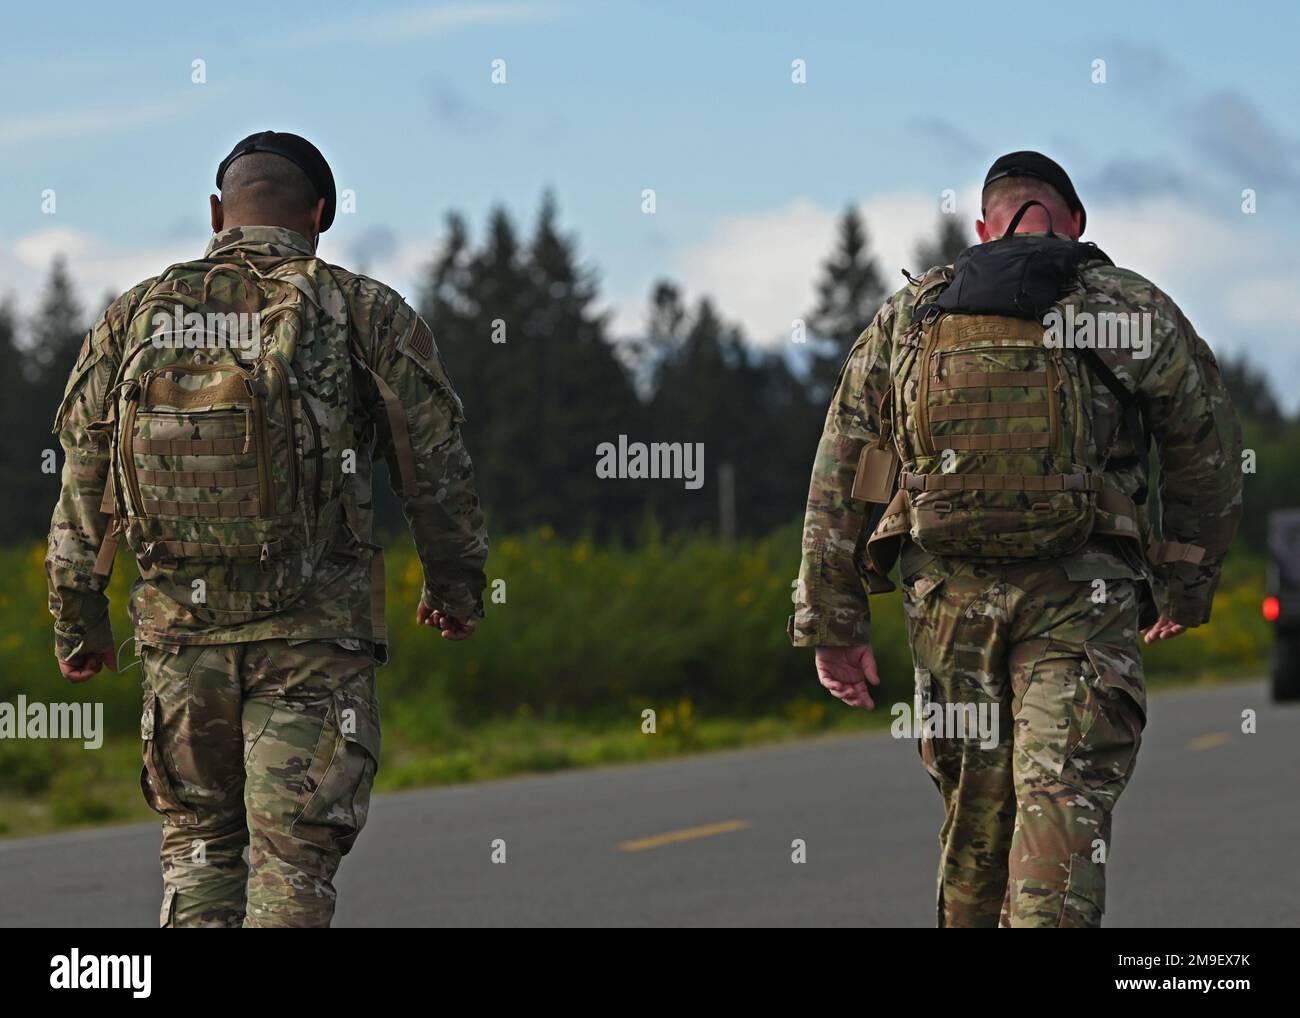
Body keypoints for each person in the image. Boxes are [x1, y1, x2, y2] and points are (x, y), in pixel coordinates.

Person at [46, 130, 489, 928]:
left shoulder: (133, 317)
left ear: (217, 212)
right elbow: (434, 465)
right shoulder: (364, 310)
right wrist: (454, 586)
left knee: (200, 852)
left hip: (182, 647)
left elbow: (84, 476)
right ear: (321, 214)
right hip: (314, 645)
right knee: (292, 869)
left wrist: (80, 619)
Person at [790, 150, 1243, 927]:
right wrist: (1183, 583)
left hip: (946, 601)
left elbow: (847, 468)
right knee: (1060, 806)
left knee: (978, 821)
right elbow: (1205, 448)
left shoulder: (915, 314)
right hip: (1083, 595)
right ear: (1076, 224)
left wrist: (833, 620)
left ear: (983, 226)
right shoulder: (1124, 306)